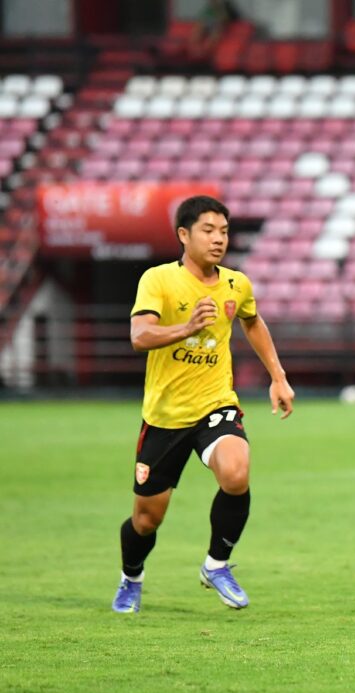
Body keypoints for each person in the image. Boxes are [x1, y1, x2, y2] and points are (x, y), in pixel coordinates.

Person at [111, 195, 294, 614]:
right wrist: (186, 326)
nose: (218, 240)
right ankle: (131, 576)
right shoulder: (158, 280)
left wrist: (278, 377)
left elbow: (251, 320)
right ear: (183, 234)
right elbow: (140, 336)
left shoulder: (236, 283)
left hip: (215, 405)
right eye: (208, 231)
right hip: (164, 418)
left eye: (224, 232)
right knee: (146, 520)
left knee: (236, 471)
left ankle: (217, 564)